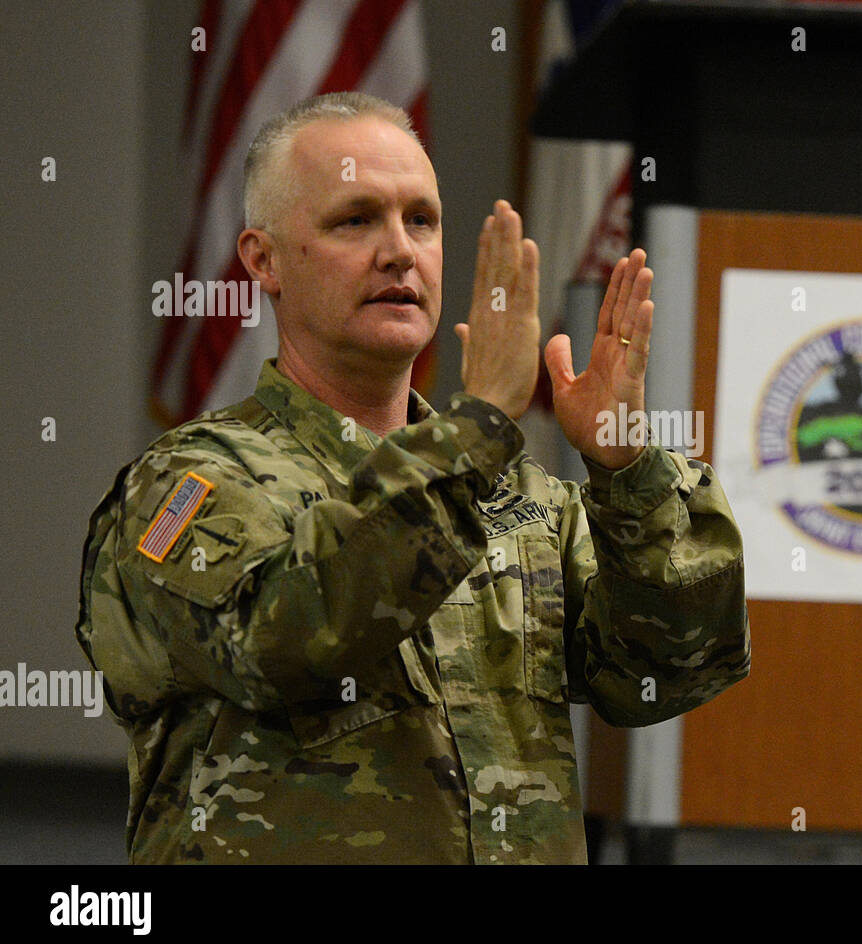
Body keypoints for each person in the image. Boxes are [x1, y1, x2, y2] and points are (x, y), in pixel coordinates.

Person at [75, 92, 750, 864]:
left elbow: (670, 668)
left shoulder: (518, 496)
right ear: (262, 259)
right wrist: (478, 431)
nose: (399, 250)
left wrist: (626, 467)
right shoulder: (185, 484)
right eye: (355, 219)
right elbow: (287, 639)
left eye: (421, 220)